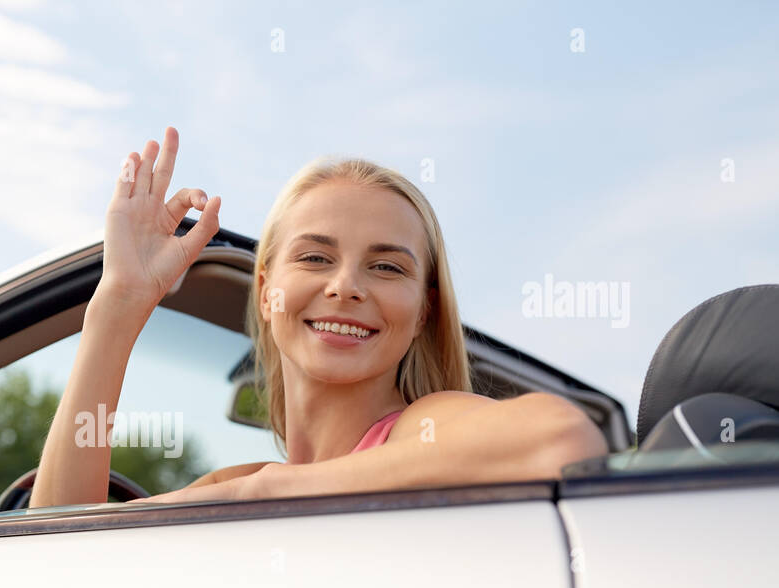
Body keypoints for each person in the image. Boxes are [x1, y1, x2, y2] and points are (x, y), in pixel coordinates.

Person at [30, 126, 607, 508]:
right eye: (315, 257)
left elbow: (563, 438)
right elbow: (59, 539)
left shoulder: (418, 428)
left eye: (386, 268)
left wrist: (269, 493)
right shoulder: (236, 483)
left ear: (423, 310)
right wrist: (118, 305)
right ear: (265, 291)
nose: (346, 286)